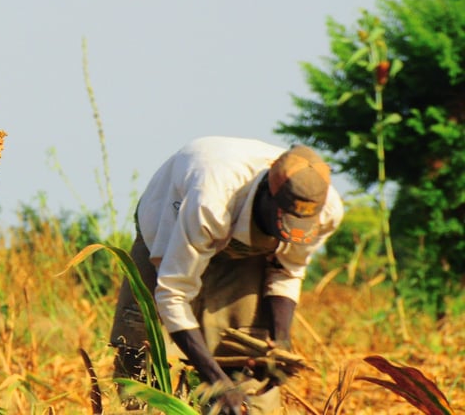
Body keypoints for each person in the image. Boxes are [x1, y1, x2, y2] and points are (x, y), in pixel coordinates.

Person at [108, 137, 344, 414]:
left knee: (243, 355)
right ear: (267, 190)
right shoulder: (211, 200)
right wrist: (219, 384)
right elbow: (173, 293)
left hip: (246, 247)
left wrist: (279, 343)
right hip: (170, 223)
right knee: (141, 354)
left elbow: (287, 272)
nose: (289, 235)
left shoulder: (326, 210)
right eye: (284, 223)